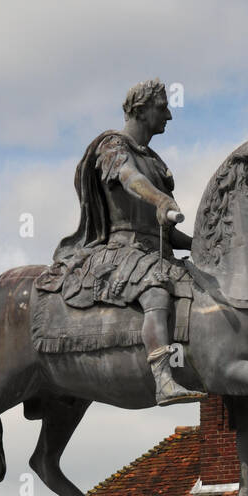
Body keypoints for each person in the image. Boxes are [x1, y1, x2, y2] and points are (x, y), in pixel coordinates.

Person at [35, 78, 203, 406]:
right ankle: (163, 380)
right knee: (156, 287)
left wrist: (199, 245)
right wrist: (160, 200)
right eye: (162, 107)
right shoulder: (113, 147)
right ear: (140, 111)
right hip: (120, 251)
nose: (169, 116)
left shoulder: (155, 161)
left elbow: (167, 233)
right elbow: (129, 180)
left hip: (156, 251)